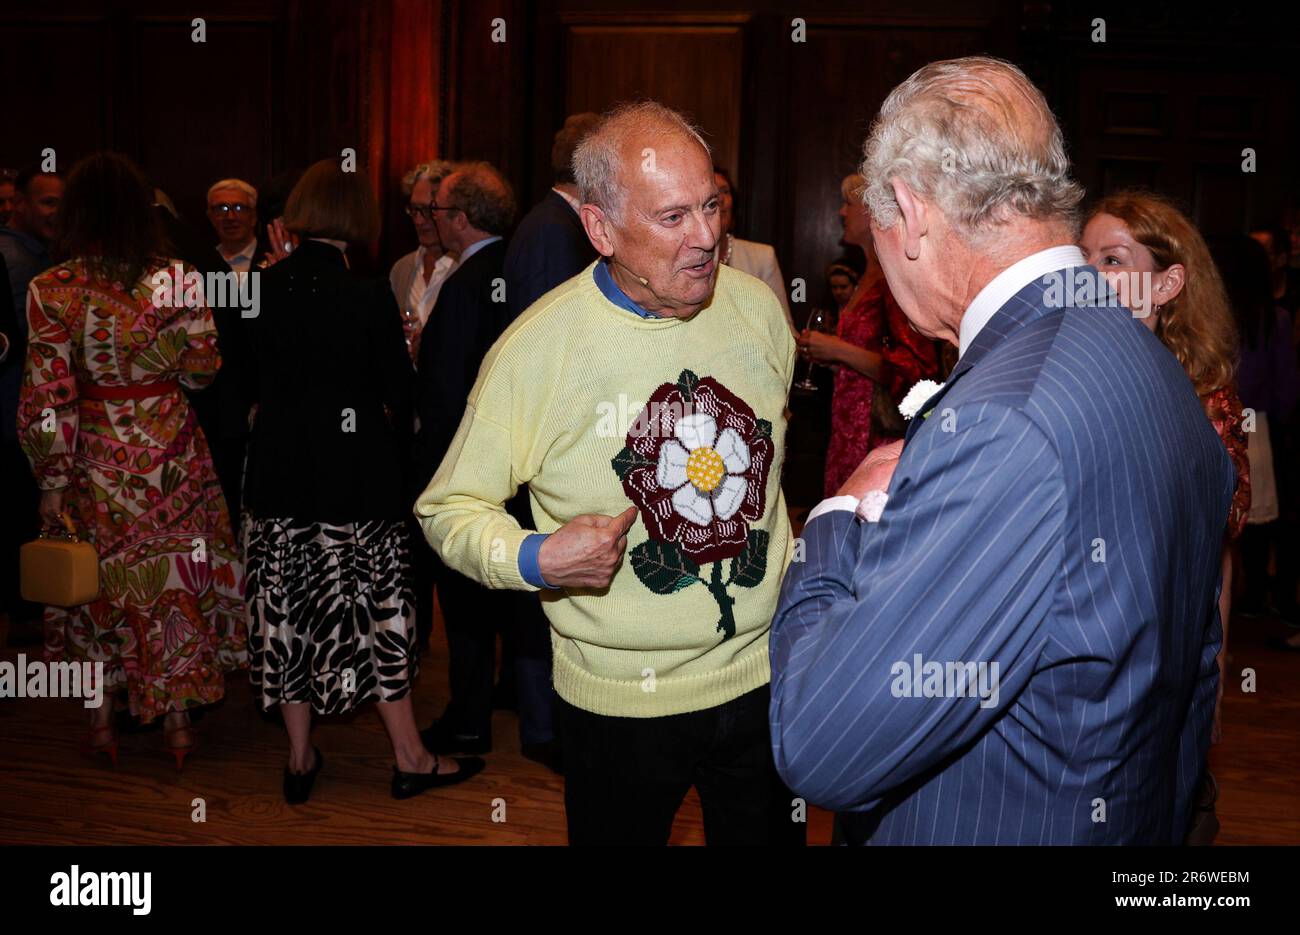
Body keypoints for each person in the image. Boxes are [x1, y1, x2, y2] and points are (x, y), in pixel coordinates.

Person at [769, 56, 1235, 845]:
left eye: (879, 233)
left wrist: (837, 518)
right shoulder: (1147, 356)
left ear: (910, 211)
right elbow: (1184, 678)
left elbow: (820, 742)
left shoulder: (1005, 420)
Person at [416, 101, 802, 846]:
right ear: (600, 229)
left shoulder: (755, 308)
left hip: (764, 678)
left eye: (711, 206)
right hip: (621, 705)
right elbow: (447, 507)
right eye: (672, 217)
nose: (706, 236)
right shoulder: (539, 349)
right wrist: (537, 557)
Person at [237, 159, 482, 803]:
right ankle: (411, 757)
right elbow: (399, 393)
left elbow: (243, 381)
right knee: (378, 616)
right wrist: (406, 355)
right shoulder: (367, 293)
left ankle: (298, 758)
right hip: (356, 485)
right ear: (357, 217)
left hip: (279, 482)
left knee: (286, 613)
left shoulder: (259, 288)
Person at [17, 152, 247, 767]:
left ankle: (101, 725)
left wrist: (51, 480)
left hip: (95, 457)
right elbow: (203, 370)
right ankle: (178, 726)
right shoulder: (178, 277)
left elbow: (46, 395)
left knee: (100, 586)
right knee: (175, 581)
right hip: (171, 448)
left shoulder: (51, 288)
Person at [1081, 192, 1252, 843]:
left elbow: (1218, 555)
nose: (1089, 275)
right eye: (1083, 257)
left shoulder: (1204, 399)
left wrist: (1215, 671)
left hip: (1162, 655)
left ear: (1168, 283)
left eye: (1113, 260)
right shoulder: (1068, 371)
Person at [499, 112, 602, 770]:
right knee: (546, 581)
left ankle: (543, 715)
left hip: (547, 429)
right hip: (549, 434)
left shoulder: (554, 224)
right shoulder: (554, 232)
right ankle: (544, 727)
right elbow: (550, 347)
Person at [413, 161, 520, 758]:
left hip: (468, 464)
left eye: (437, 211)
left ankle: (468, 721)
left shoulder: (465, 282)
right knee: (504, 593)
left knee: (465, 599)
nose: (432, 220)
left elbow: (446, 390)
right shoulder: (513, 266)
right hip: (516, 462)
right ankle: (507, 694)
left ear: (459, 218)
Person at [802, 173, 940, 496]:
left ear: (871, 212)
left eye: (848, 204)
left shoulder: (893, 278)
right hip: (846, 429)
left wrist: (837, 349)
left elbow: (913, 369)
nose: (841, 213)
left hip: (874, 435)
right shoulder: (866, 273)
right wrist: (833, 360)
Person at [1211, 235, 1300, 624]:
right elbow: (1286, 385)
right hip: (1256, 420)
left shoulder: (1214, 315)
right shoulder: (1271, 318)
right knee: (1260, 513)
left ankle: (1241, 597)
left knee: (1226, 512)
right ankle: (1259, 594)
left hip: (1217, 415)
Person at [0, 166, 63, 649]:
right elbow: (33, 343)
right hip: (15, 412)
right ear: (19, 204)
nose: (57, 213)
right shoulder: (16, 259)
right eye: (47, 202)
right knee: (19, 515)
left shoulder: (38, 254)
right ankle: (24, 610)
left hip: (23, 412)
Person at [390, 160, 458, 364]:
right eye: (414, 209)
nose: (419, 220)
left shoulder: (463, 269)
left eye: (428, 210)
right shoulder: (401, 269)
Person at [714, 166, 795, 334]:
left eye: (725, 191)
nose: (720, 198)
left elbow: (785, 331)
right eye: (713, 191)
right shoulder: (682, 258)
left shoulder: (762, 257)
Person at [206, 179, 261, 274]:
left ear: (253, 217)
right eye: (222, 208)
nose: (230, 217)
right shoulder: (201, 262)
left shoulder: (275, 259)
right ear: (211, 218)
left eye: (239, 208)